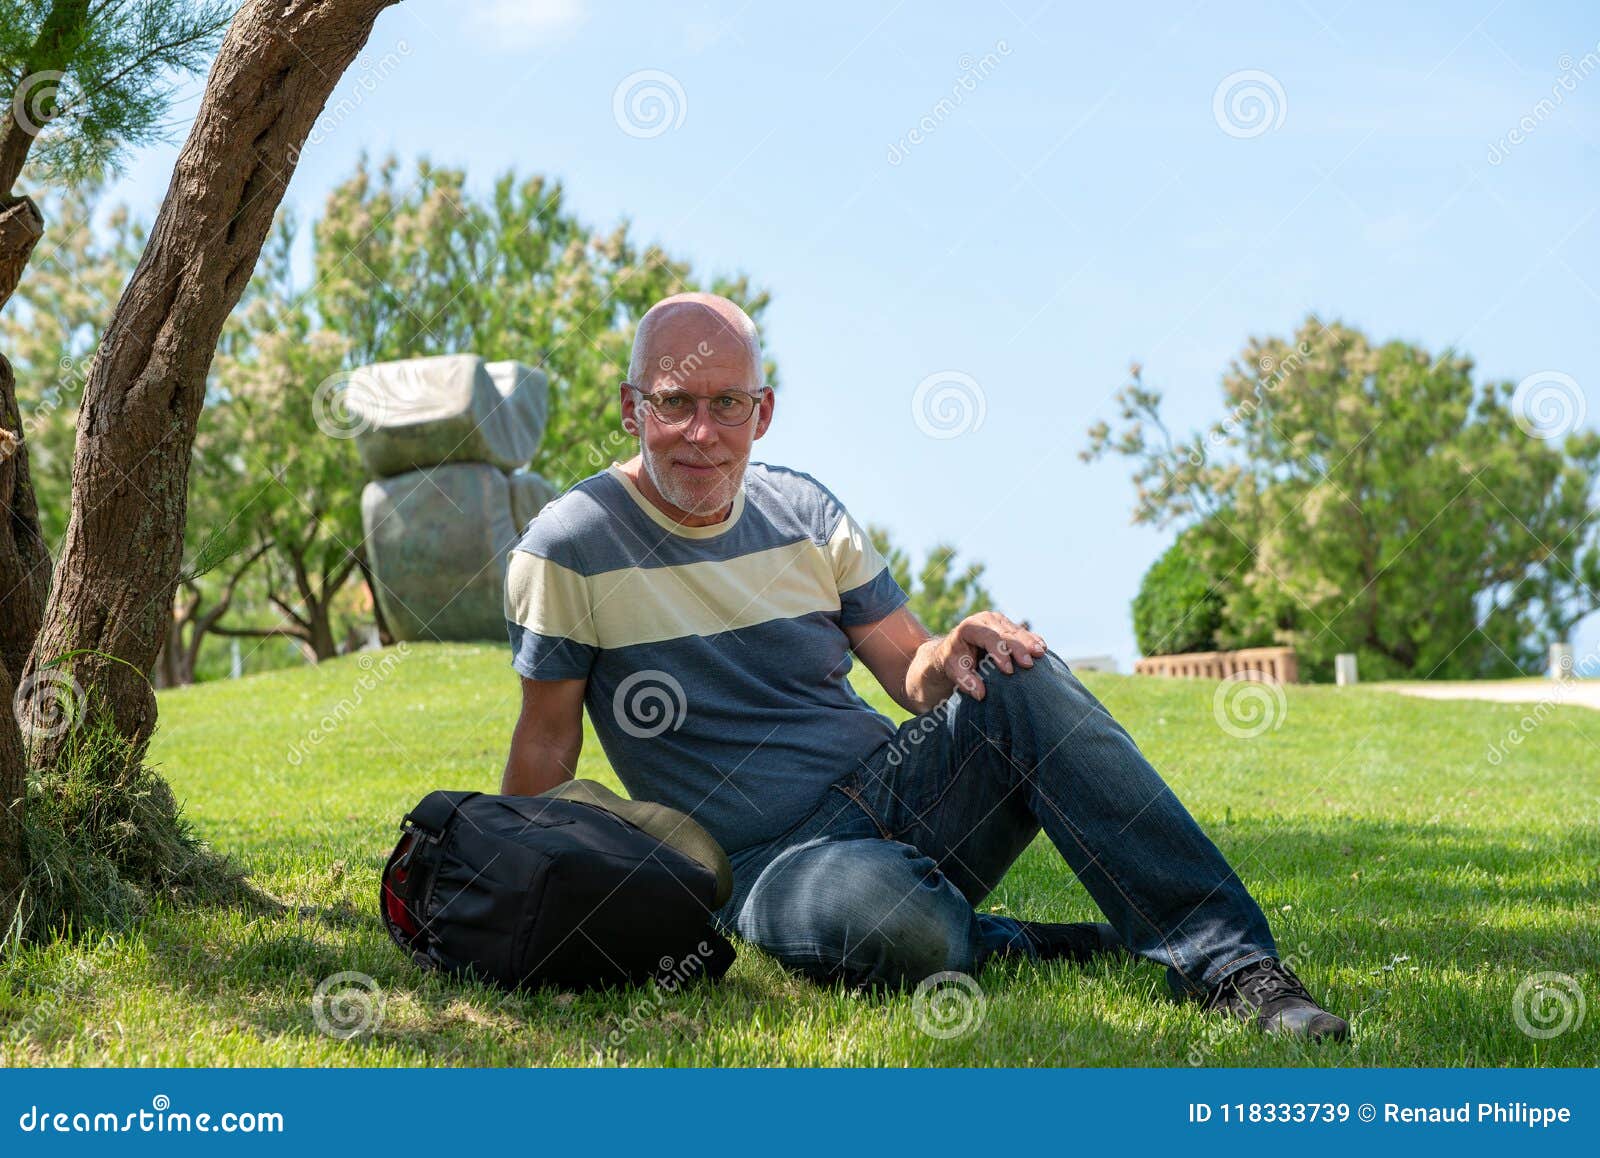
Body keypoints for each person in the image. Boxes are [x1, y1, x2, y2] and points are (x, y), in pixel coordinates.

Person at [502, 292, 1348, 1040]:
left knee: (1021, 672)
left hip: (896, 788)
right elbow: (545, 746)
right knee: (896, 924)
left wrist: (959, 646)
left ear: (762, 414)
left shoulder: (805, 511)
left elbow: (914, 675)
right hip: (765, 867)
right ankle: (1027, 942)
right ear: (630, 407)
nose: (701, 432)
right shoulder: (571, 545)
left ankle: (1234, 969)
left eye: (727, 404)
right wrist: (505, 885)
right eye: (674, 402)